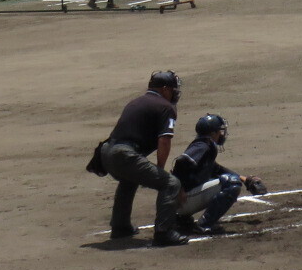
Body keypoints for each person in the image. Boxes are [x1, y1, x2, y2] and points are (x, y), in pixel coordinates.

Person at [98, 70, 191, 245]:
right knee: (170, 184)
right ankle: (164, 233)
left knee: (128, 180)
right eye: (172, 89)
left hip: (107, 153)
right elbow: (164, 140)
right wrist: (160, 170)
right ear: (164, 89)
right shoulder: (165, 107)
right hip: (123, 154)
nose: (174, 92)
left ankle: (120, 227)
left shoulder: (137, 101)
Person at [173, 114, 265, 236]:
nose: (222, 134)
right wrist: (179, 189)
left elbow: (217, 169)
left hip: (179, 202)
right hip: (181, 200)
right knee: (232, 183)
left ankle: (182, 219)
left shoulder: (205, 145)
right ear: (212, 133)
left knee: (229, 179)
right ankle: (203, 225)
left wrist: (245, 179)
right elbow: (181, 162)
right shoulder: (202, 145)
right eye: (219, 131)